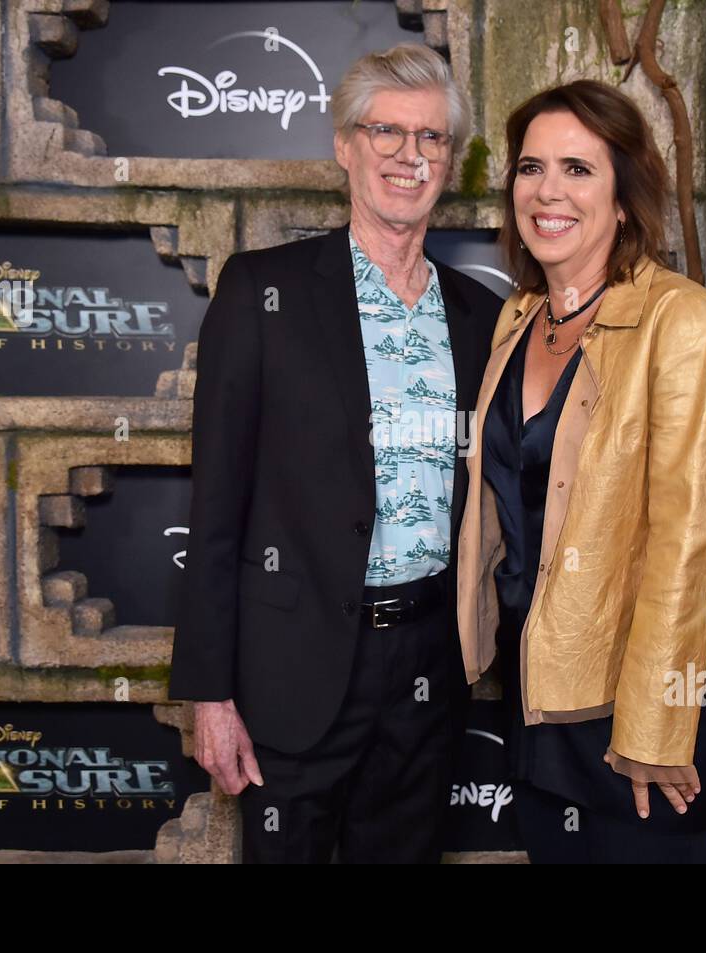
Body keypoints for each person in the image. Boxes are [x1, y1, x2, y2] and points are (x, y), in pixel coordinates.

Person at [168, 43, 501, 863]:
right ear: (343, 145)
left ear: (449, 162)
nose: (407, 155)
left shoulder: (480, 315)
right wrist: (210, 693)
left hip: (429, 663)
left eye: (429, 138)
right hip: (295, 667)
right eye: (383, 130)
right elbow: (215, 507)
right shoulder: (261, 291)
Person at [455, 80, 706, 863]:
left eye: (578, 169)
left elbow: (690, 537)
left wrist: (652, 727)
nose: (548, 190)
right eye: (531, 167)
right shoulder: (518, 319)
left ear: (623, 197)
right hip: (540, 699)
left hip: (639, 717)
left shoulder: (680, 320)